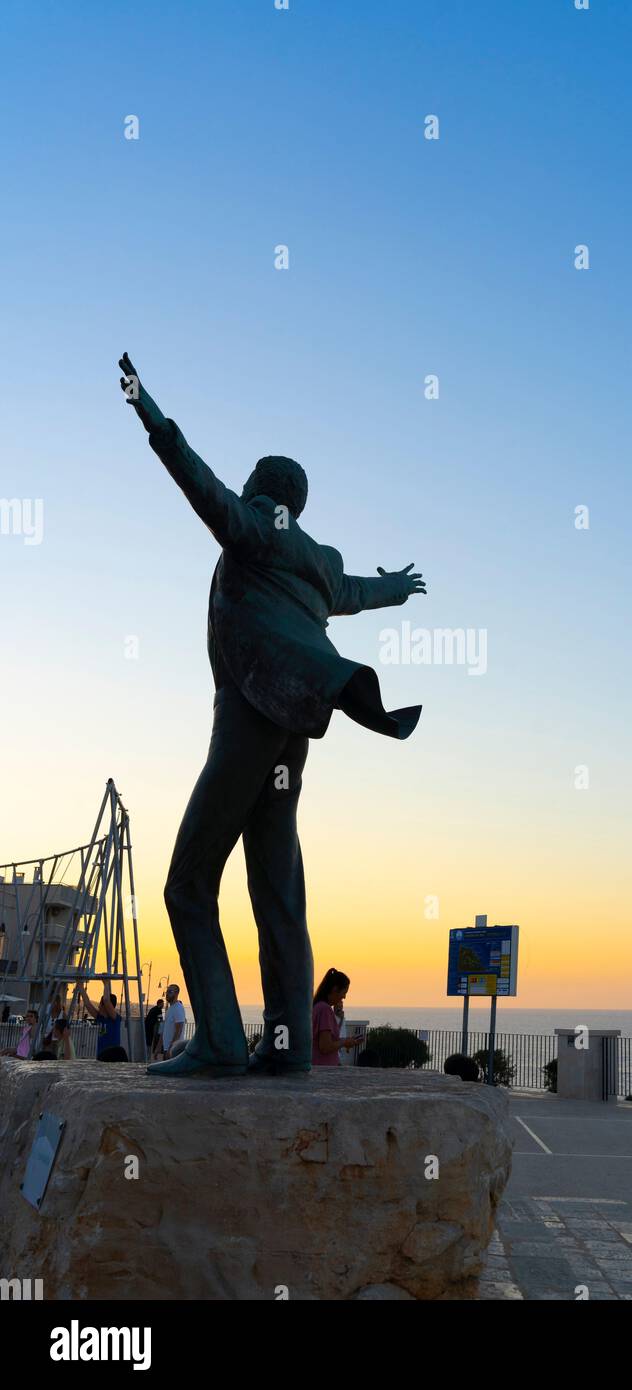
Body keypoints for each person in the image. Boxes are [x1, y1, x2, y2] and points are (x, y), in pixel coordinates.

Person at [118, 354, 426, 1078]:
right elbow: (355, 591)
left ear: (264, 490)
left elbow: (202, 488)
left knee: (188, 883)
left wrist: (149, 412)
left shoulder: (255, 529)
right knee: (276, 884)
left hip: (253, 712)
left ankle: (221, 1040)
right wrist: (396, 586)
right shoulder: (315, 558)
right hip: (300, 721)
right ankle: (287, 1049)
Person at [311, 970, 364, 1067]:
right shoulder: (325, 1010)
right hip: (323, 1070)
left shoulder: (318, 1007)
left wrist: (346, 1041)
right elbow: (325, 1047)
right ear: (335, 989)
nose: (344, 997)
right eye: (344, 992)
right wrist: (344, 1042)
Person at [75, 977, 123, 1059]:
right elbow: (87, 1003)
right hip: (101, 1056)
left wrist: (106, 983)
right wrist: (81, 987)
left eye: (100, 1004)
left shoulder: (115, 1018)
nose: (99, 1006)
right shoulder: (100, 1018)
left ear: (105, 1006)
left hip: (112, 1057)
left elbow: (106, 1000)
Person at [159, 985, 186, 1059]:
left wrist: (171, 1048)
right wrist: (158, 1047)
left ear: (177, 993)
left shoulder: (178, 1008)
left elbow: (178, 1031)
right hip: (167, 1049)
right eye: (167, 992)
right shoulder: (170, 1009)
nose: (167, 994)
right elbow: (165, 1030)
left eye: (170, 992)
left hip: (174, 1050)